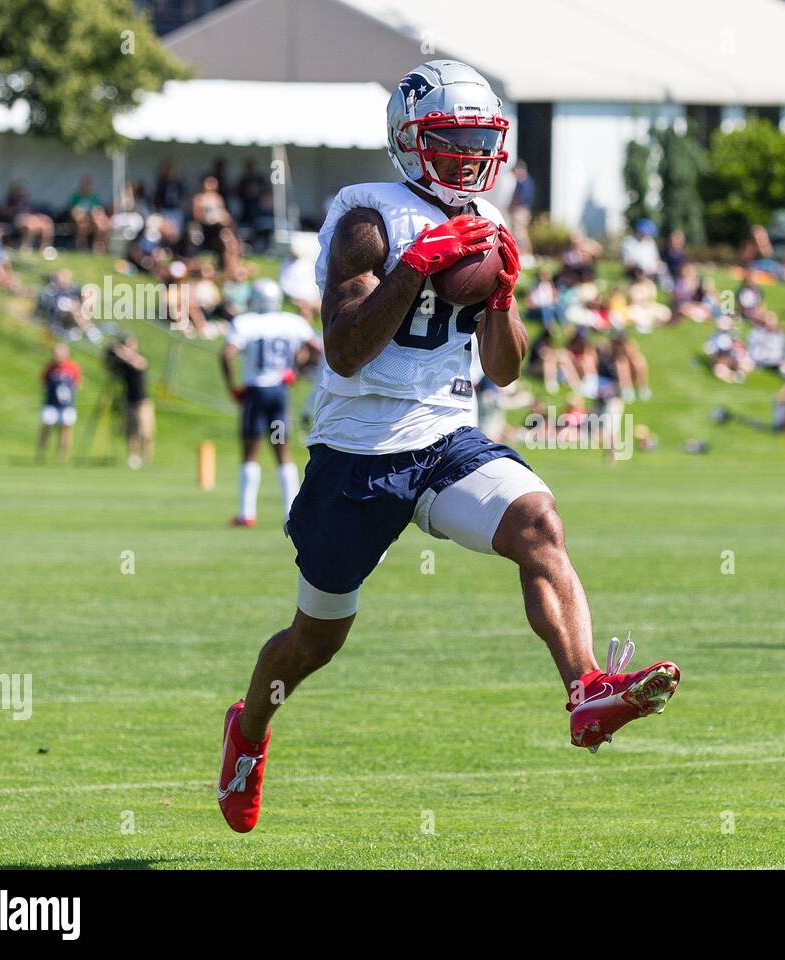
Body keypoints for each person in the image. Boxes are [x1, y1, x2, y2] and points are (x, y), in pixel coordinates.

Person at [215, 61, 679, 834]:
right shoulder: (371, 219)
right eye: (450, 137)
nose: (468, 155)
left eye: (478, 139)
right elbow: (344, 351)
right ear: (409, 139)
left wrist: (502, 297)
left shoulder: (489, 223)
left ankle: (587, 690)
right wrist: (417, 265)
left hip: (445, 434)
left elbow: (503, 366)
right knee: (314, 641)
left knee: (539, 522)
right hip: (359, 451)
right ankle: (248, 733)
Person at [220, 278, 322, 527]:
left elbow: (226, 354)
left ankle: (246, 513)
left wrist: (233, 387)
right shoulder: (291, 322)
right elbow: (317, 349)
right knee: (282, 451)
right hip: (279, 392)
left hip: (255, 394)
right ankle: (292, 511)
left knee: (250, 452)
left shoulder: (245, 323)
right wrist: (295, 370)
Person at [106, 335, 154, 468]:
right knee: (131, 432)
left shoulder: (139, 358)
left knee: (146, 432)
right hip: (129, 400)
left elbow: (138, 363)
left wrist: (121, 352)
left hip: (143, 401)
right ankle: (132, 458)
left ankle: (146, 460)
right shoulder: (122, 363)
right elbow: (110, 369)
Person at [37, 343, 81, 463]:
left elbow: (77, 383)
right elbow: (43, 382)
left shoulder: (73, 367)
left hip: (67, 405)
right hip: (51, 403)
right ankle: (41, 454)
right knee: (46, 426)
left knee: (65, 429)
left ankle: (61, 457)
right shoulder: (49, 367)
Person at [67, 177, 110, 252]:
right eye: (85, 185)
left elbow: (99, 210)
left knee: (100, 223)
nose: (87, 187)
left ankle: (98, 245)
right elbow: (73, 211)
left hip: (93, 220)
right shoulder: (76, 197)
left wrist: (95, 215)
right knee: (83, 223)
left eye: (88, 185)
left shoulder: (94, 197)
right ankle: (81, 245)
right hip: (81, 220)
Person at [507, 161, 534, 265]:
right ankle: (522, 253)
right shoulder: (520, 182)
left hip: (521, 210)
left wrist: (512, 205)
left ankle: (525, 254)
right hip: (518, 210)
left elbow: (521, 198)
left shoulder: (525, 182)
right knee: (518, 231)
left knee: (520, 232)